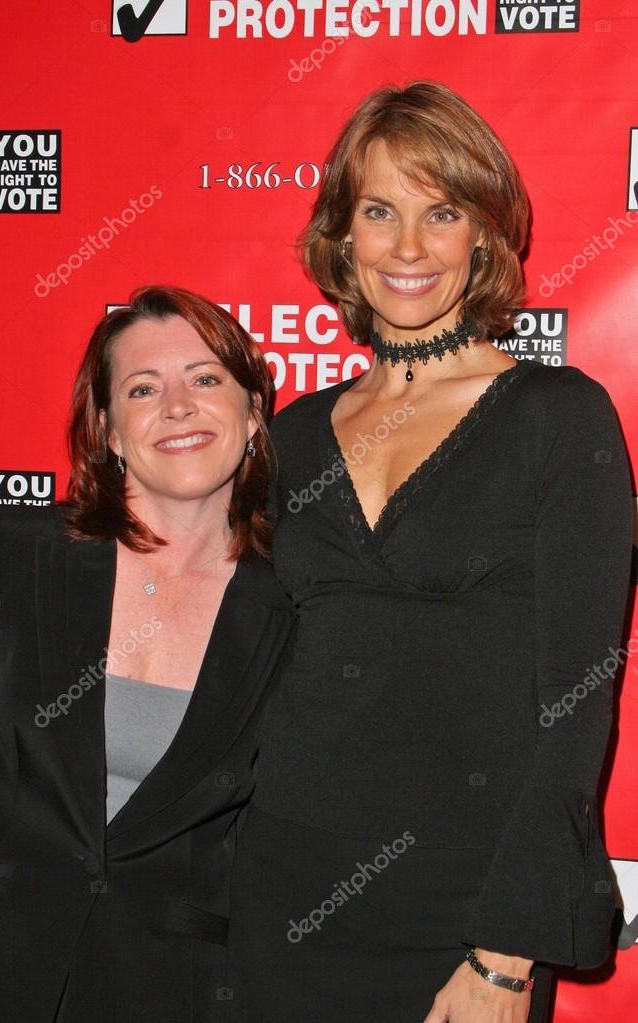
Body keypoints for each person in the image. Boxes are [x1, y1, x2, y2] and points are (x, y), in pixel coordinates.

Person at [226, 82, 634, 1023]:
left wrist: (504, 953)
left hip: (465, 907)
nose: (407, 248)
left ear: (483, 235)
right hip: (279, 886)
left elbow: (578, 704)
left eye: (440, 212)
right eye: (379, 211)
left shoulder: (559, 419)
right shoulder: (291, 438)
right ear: (343, 237)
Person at [0, 286, 296, 1023]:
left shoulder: (294, 607)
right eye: (145, 388)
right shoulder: (18, 552)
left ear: (254, 411)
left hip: (173, 986)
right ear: (109, 429)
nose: (178, 406)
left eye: (206, 379)